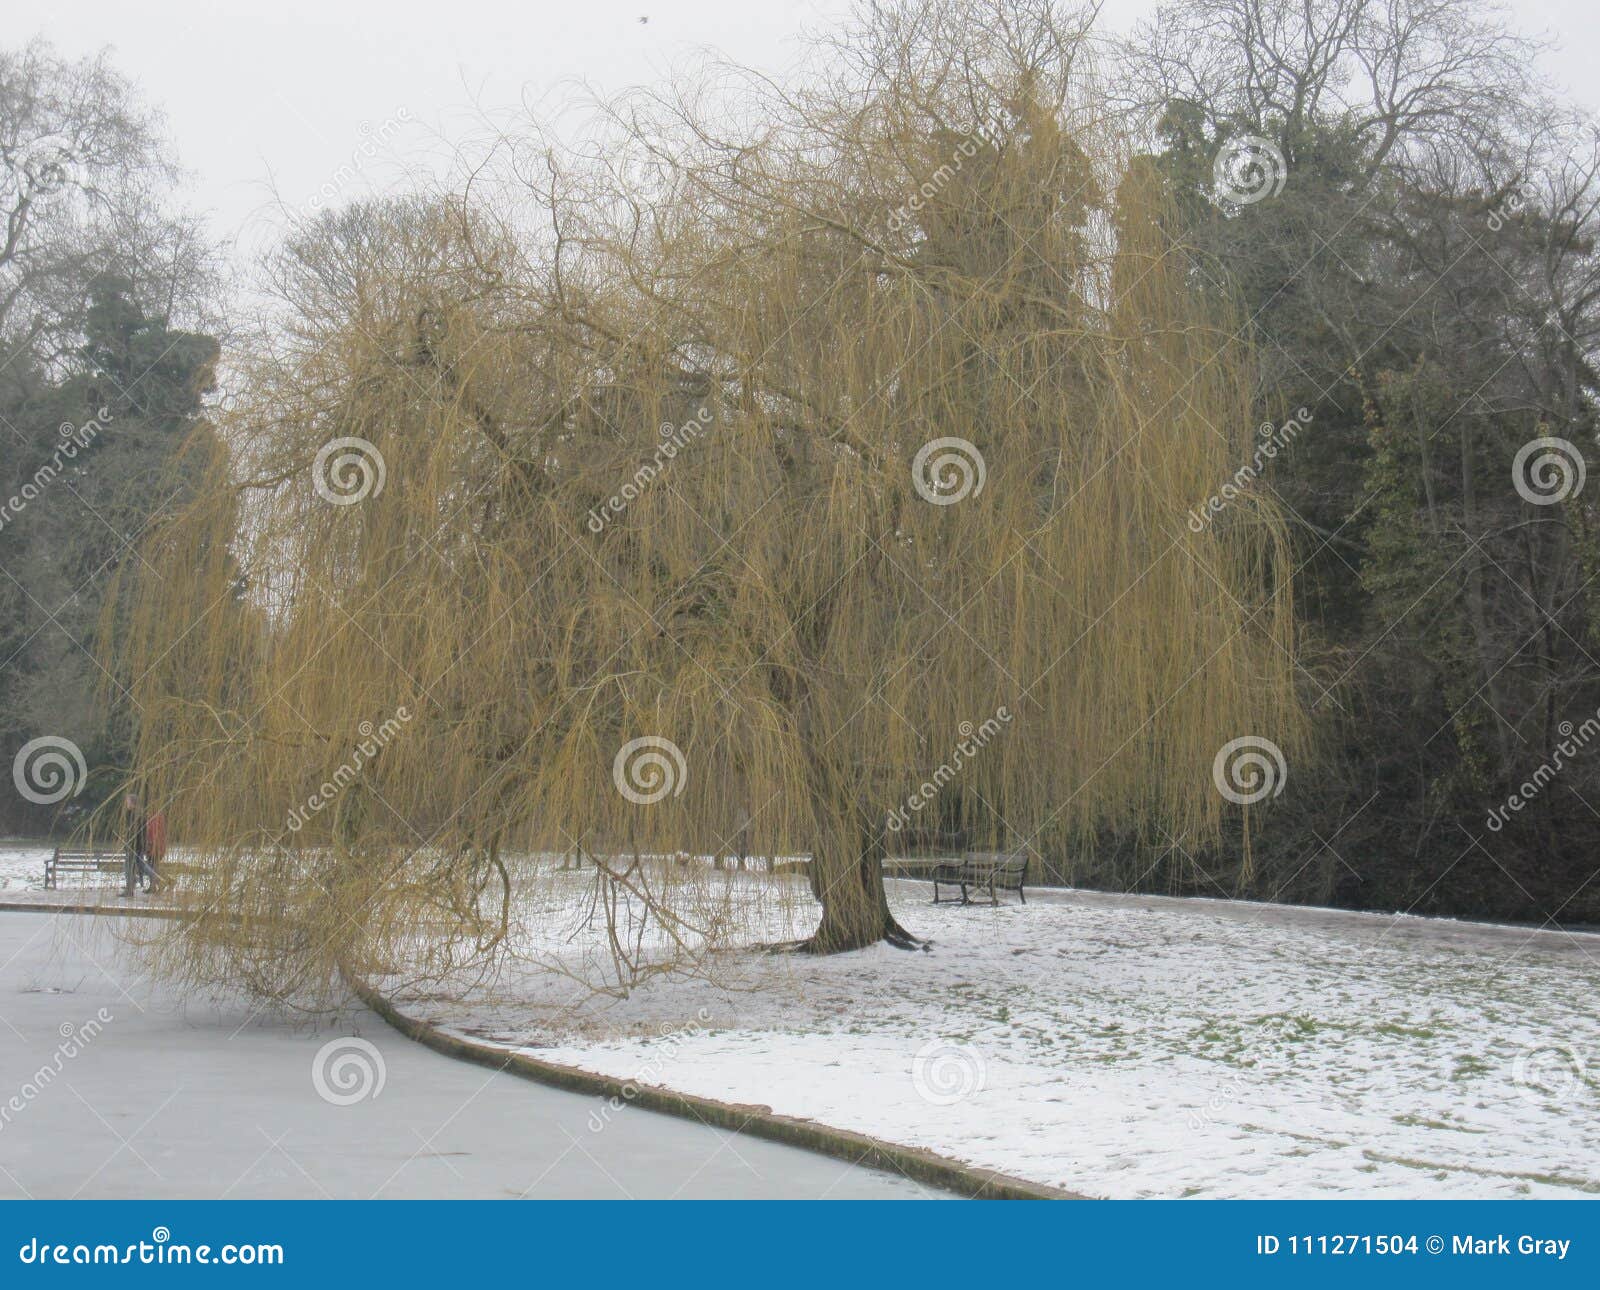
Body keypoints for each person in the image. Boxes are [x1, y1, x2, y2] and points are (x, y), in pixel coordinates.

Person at [119, 793, 162, 896]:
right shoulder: (137, 814)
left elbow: (136, 832)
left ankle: (130, 889)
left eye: (128, 801)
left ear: (132, 803)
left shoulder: (136, 815)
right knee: (140, 865)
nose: (126, 804)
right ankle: (155, 879)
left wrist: (129, 840)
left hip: (134, 846)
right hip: (136, 845)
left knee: (129, 867)